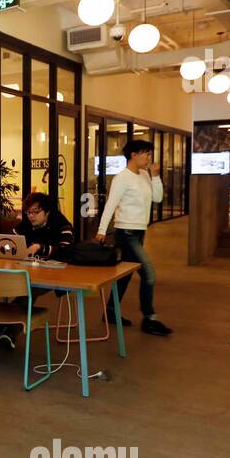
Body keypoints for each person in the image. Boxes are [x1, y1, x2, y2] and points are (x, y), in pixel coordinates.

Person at [95, 139, 171, 335]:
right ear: (133, 155)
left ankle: (110, 311)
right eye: (145, 153)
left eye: (149, 153)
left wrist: (155, 177)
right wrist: (102, 230)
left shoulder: (146, 175)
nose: (148, 157)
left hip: (140, 231)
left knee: (126, 273)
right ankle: (149, 317)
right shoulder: (122, 178)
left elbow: (158, 198)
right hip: (126, 233)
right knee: (149, 274)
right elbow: (110, 205)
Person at [19, 191, 75, 260]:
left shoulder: (62, 225)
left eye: (36, 212)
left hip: (57, 268)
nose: (31, 216)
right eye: (28, 212)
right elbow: (13, 241)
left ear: (47, 212)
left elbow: (66, 252)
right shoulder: (26, 223)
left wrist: (39, 247)